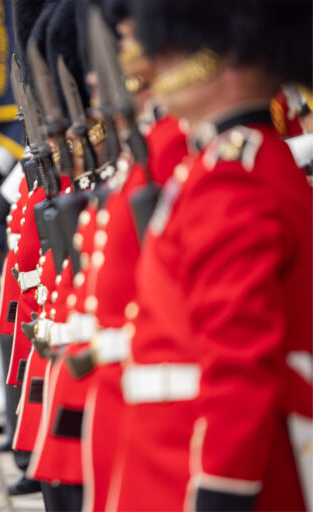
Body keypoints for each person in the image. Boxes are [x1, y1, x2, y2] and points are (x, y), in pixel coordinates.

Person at [107, 1, 312, 510]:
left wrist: (221, 490)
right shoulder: (222, 165)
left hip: (201, 469)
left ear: (229, 55)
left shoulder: (231, 176)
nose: (158, 62)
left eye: (175, 47)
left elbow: (240, 357)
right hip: (170, 461)